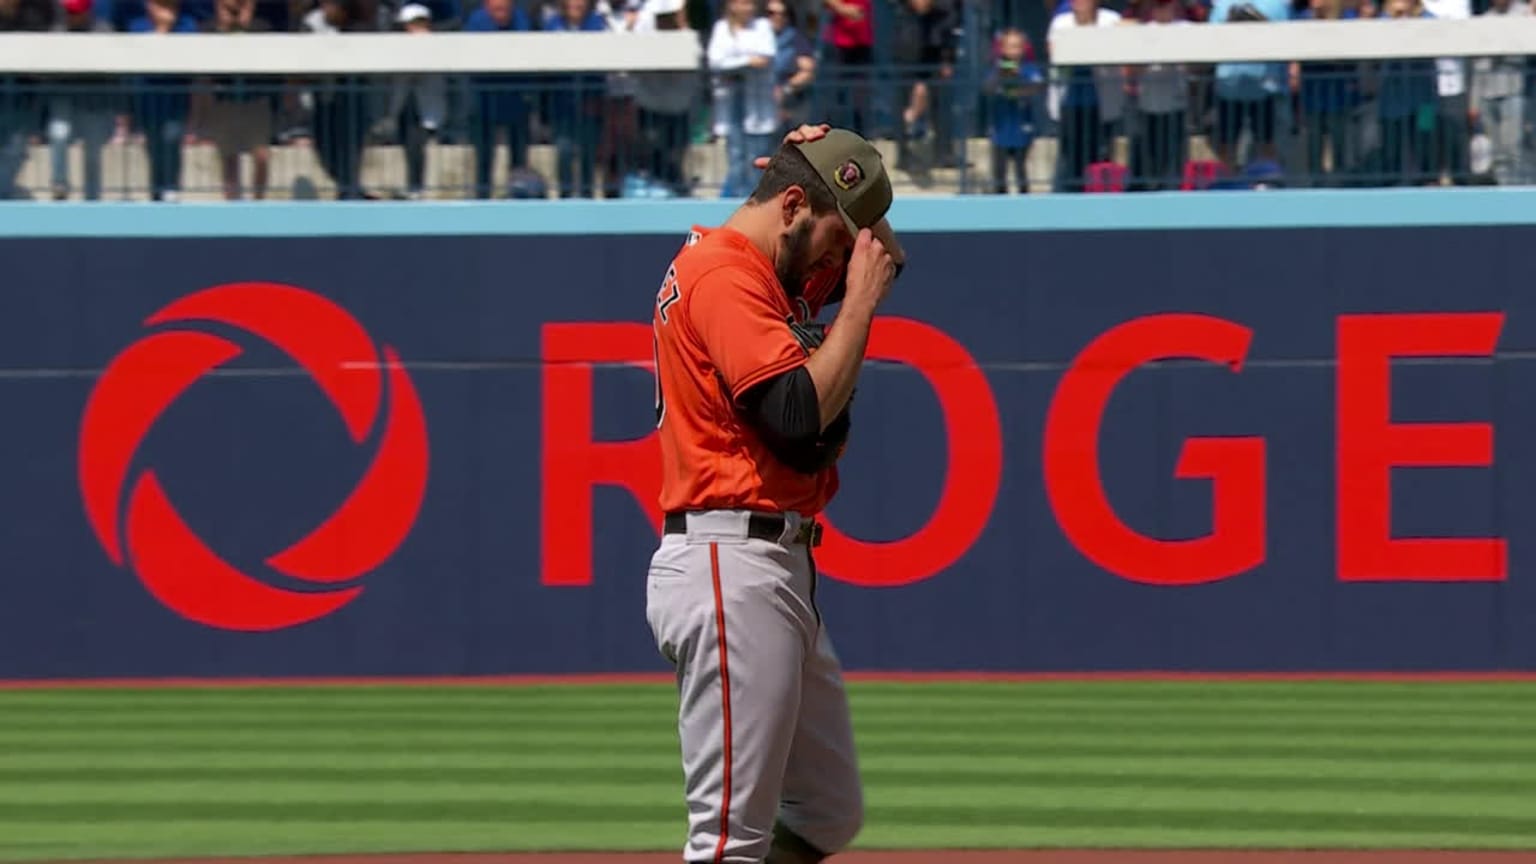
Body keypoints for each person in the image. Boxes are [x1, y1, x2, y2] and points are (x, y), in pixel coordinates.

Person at [645, 122, 903, 864]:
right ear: (790, 205)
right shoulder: (725, 273)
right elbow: (796, 410)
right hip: (730, 560)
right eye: (832, 236)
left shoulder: (765, 266)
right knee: (728, 843)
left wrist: (839, 165)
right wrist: (857, 308)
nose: (837, 259)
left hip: (770, 562)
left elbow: (889, 258)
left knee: (826, 812)